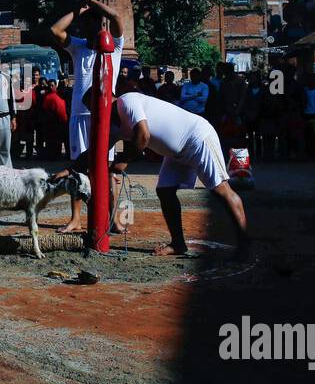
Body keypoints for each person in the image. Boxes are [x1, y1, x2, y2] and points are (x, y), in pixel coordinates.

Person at [106, 70, 250, 259]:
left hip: (197, 137)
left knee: (221, 190)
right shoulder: (109, 124)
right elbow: (98, 152)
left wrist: (123, 161)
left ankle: (245, 245)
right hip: (175, 152)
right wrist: (73, 168)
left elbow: (143, 135)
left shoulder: (128, 101)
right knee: (165, 191)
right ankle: (178, 244)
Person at [48, 0, 125, 233]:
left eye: (98, 24)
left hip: (105, 117)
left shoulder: (115, 47)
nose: (95, 30)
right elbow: (55, 31)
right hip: (80, 116)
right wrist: (78, 11)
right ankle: (76, 219)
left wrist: (90, 1)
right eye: (89, 25)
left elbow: (116, 17)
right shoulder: (79, 47)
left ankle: (113, 218)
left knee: (108, 168)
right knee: (77, 169)